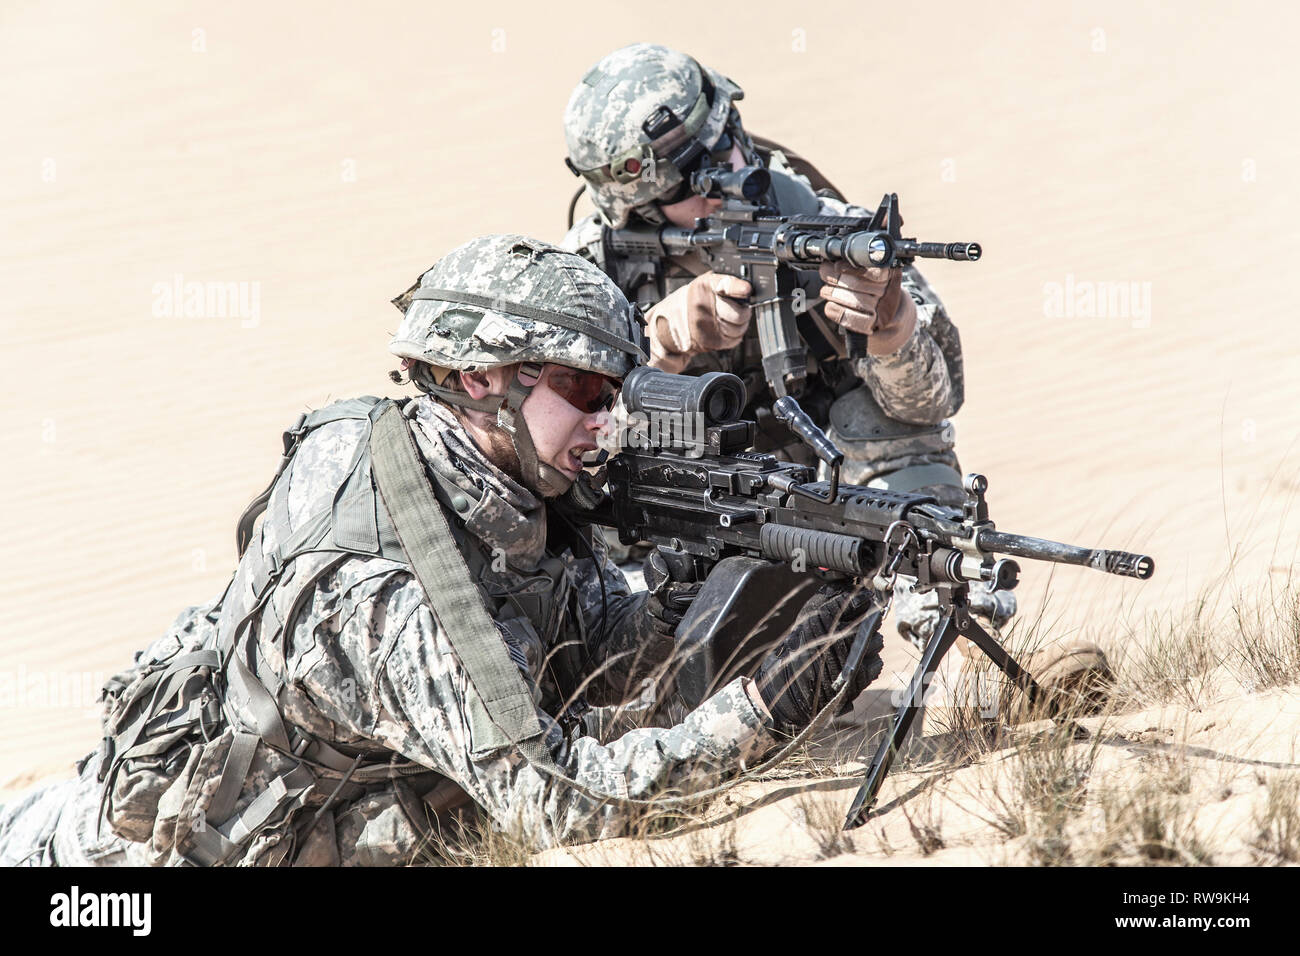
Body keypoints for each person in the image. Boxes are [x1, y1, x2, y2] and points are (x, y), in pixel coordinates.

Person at [0, 234, 882, 866]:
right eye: (585, 387)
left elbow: (576, 638)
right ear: (478, 381)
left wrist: (735, 594)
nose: (607, 419)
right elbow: (566, 806)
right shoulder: (383, 585)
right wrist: (758, 714)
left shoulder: (473, 469)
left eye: (617, 392)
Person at [560, 42, 1014, 647]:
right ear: (637, 207)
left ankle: (954, 633)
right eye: (690, 180)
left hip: (813, 486)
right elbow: (564, 457)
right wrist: (658, 352)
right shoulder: (591, 275)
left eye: (724, 145)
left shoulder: (817, 219)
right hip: (683, 511)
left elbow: (932, 404)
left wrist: (891, 325)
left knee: (892, 433)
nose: (723, 178)